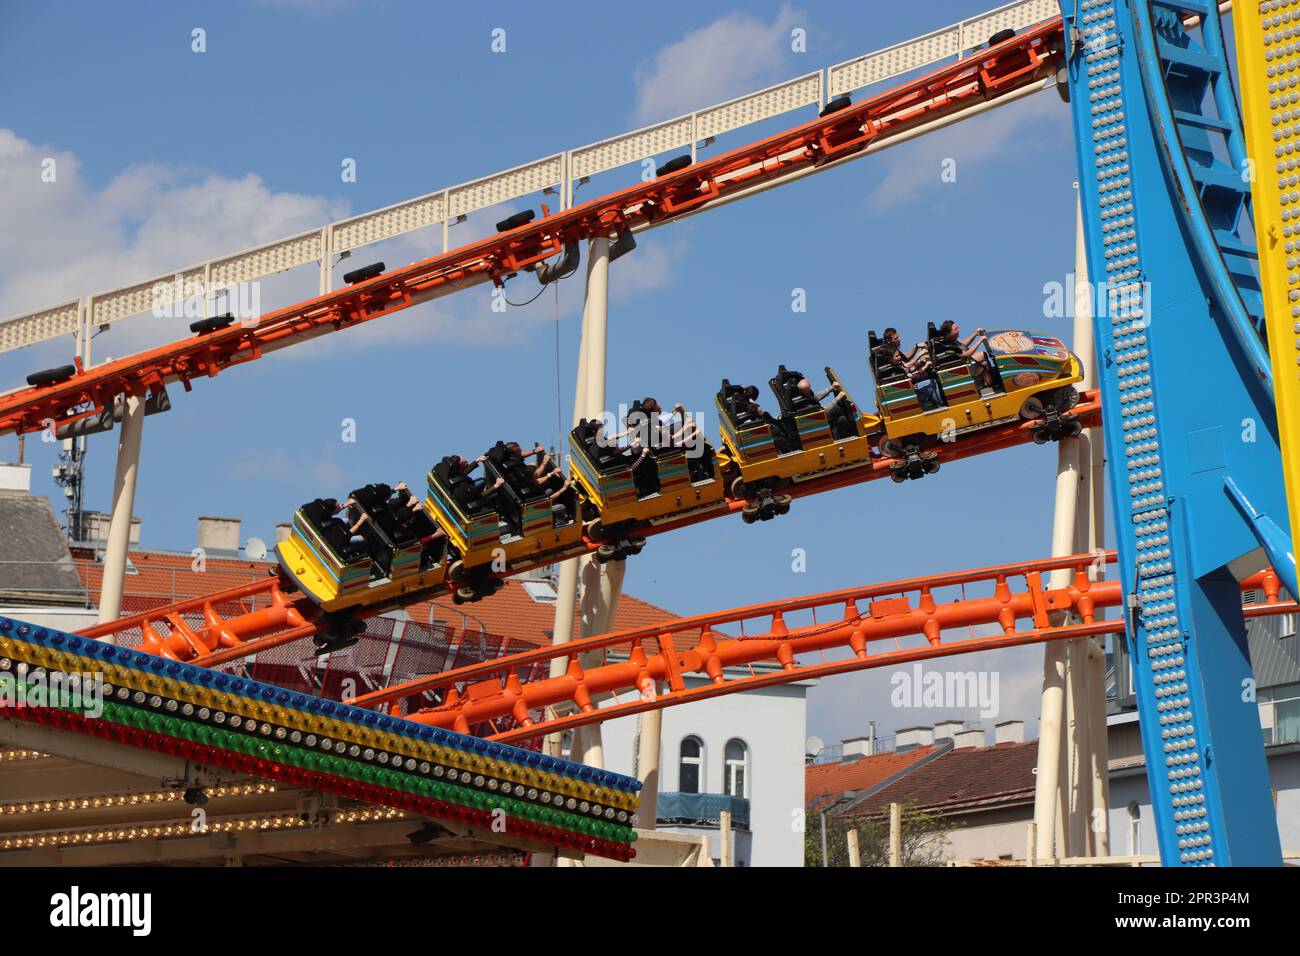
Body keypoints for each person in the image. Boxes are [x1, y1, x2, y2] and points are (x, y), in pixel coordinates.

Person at [936, 320, 994, 390]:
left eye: (957, 327)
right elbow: (967, 354)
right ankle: (989, 384)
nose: (958, 330)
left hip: (962, 363)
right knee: (982, 355)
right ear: (948, 333)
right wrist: (979, 341)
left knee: (984, 363)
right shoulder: (948, 344)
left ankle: (988, 383)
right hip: (960, 369)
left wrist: (975, 334)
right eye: (955, 329)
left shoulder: (950, 339)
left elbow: (962, 345)